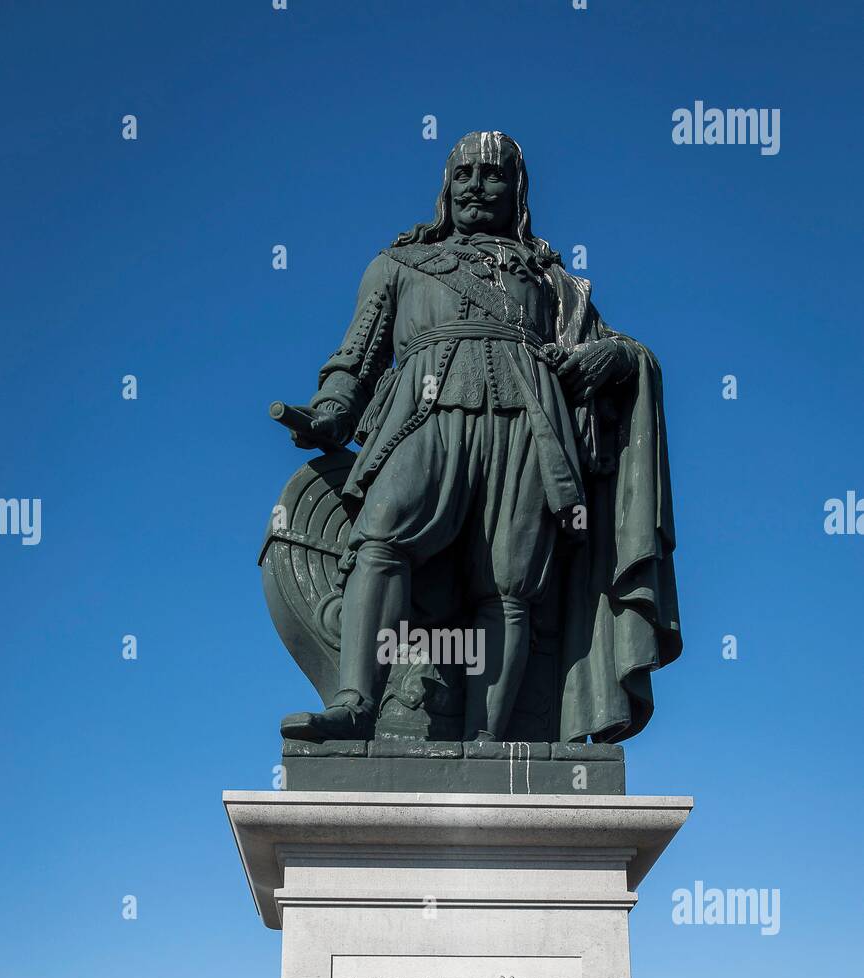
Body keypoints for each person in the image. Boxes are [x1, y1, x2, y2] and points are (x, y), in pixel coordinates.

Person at [279, 130, 682, 746]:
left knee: (509, 582)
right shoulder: (399, 264)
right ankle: (358, 701)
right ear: (446, 186)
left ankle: (488, 736)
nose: (476, 185)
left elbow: (621, 346)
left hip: (530, 426)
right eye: (463, 173)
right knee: (382, 533)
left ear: (517, 191)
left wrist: (615, 358)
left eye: (492, 175)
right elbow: (356, 358)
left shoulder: (553, 283)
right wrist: (331, 413)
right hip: (426, 412)